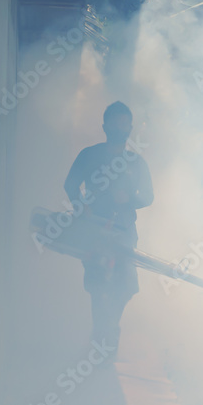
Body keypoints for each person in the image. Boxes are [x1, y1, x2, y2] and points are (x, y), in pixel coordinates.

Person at [63, 101, 153, 351]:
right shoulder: (89, 155)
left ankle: (109, 327)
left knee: (125, 286)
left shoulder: (136, 162)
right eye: (115, 123)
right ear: (105, 126)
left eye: (124, 123)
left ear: (130, 127)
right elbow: (70, 185)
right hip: (93, 233)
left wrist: (130, 200)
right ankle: (102, 338)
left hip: (124, 235)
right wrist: (80, 207)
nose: (120, 127)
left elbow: (148, 196)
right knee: (98, 284)